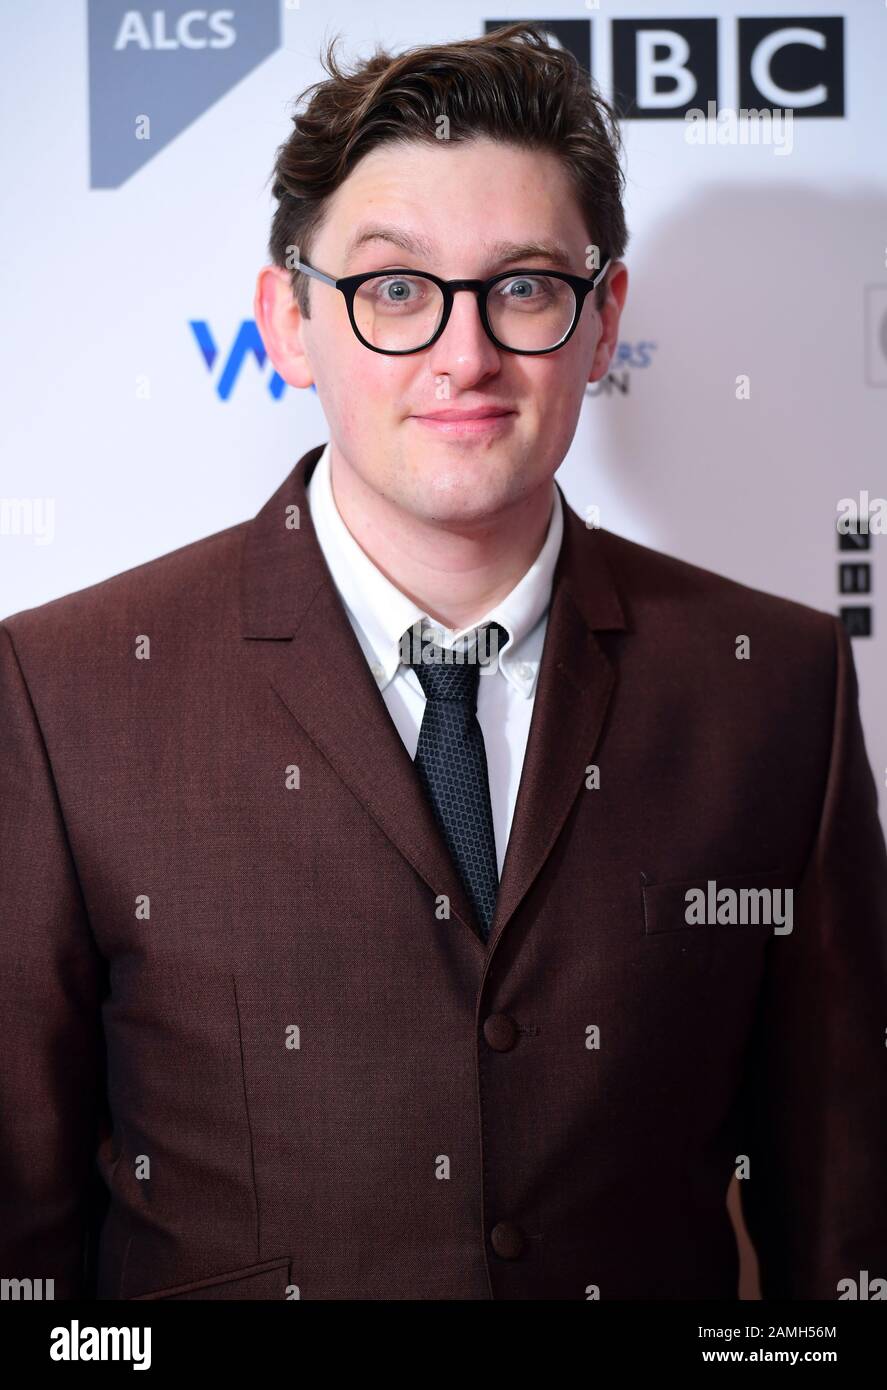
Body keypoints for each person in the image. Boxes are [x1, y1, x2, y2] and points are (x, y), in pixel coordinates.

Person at [1, 22, 885, 1302]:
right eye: (394, 288)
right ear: (289, 323)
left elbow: (841, 1226)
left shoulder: (775, 686)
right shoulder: (65, 692)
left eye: (522, 285)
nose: (462, 356)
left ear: (599, 322)